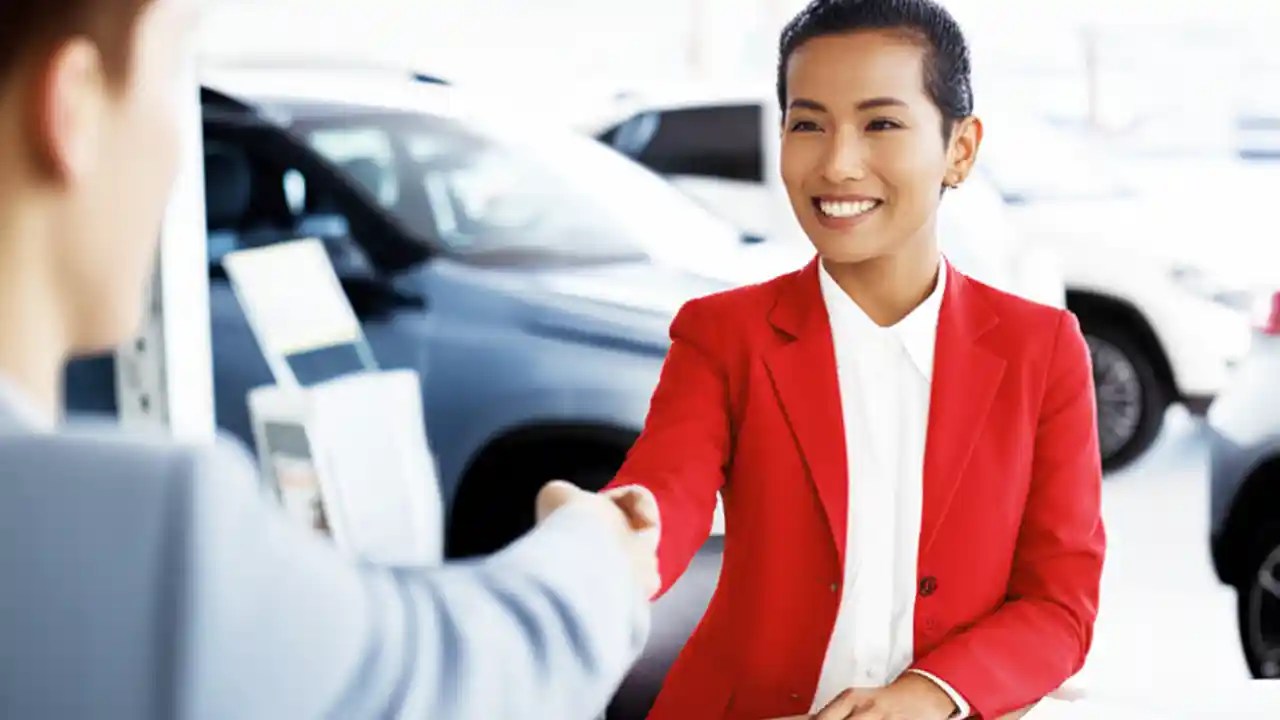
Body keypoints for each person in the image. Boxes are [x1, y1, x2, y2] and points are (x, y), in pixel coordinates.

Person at [0, 1, 660, 717]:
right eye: (174, 74)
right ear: (75, 107)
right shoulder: (139, 547)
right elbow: (453, 672)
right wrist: (597, 552)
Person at [603, 1, 1106, 718]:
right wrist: (607, 540)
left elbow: (1058, 604)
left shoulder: (1042, 350)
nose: (836, 163)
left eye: (881, 123)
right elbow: (665, 493)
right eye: (807, 124)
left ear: (959, 149)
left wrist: (929, 696)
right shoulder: (724, 333)